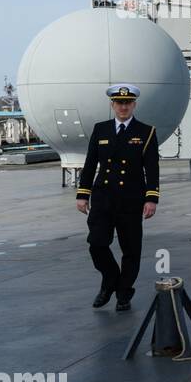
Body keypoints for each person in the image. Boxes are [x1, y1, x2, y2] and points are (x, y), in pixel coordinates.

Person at [75, 84, 160, 312]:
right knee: (96, 244)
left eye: (127, 103)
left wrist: (151, 199)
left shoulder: (146, 132)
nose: (123, 107)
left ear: (134, 105)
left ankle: (124, 292)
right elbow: (91, 163)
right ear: (112, 105)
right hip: (103, 197)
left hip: (131, 198)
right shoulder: (101, 129)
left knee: (131, 249)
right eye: (119, 103)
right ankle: (110, 279)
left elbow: (152, 169)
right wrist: (83, 194)